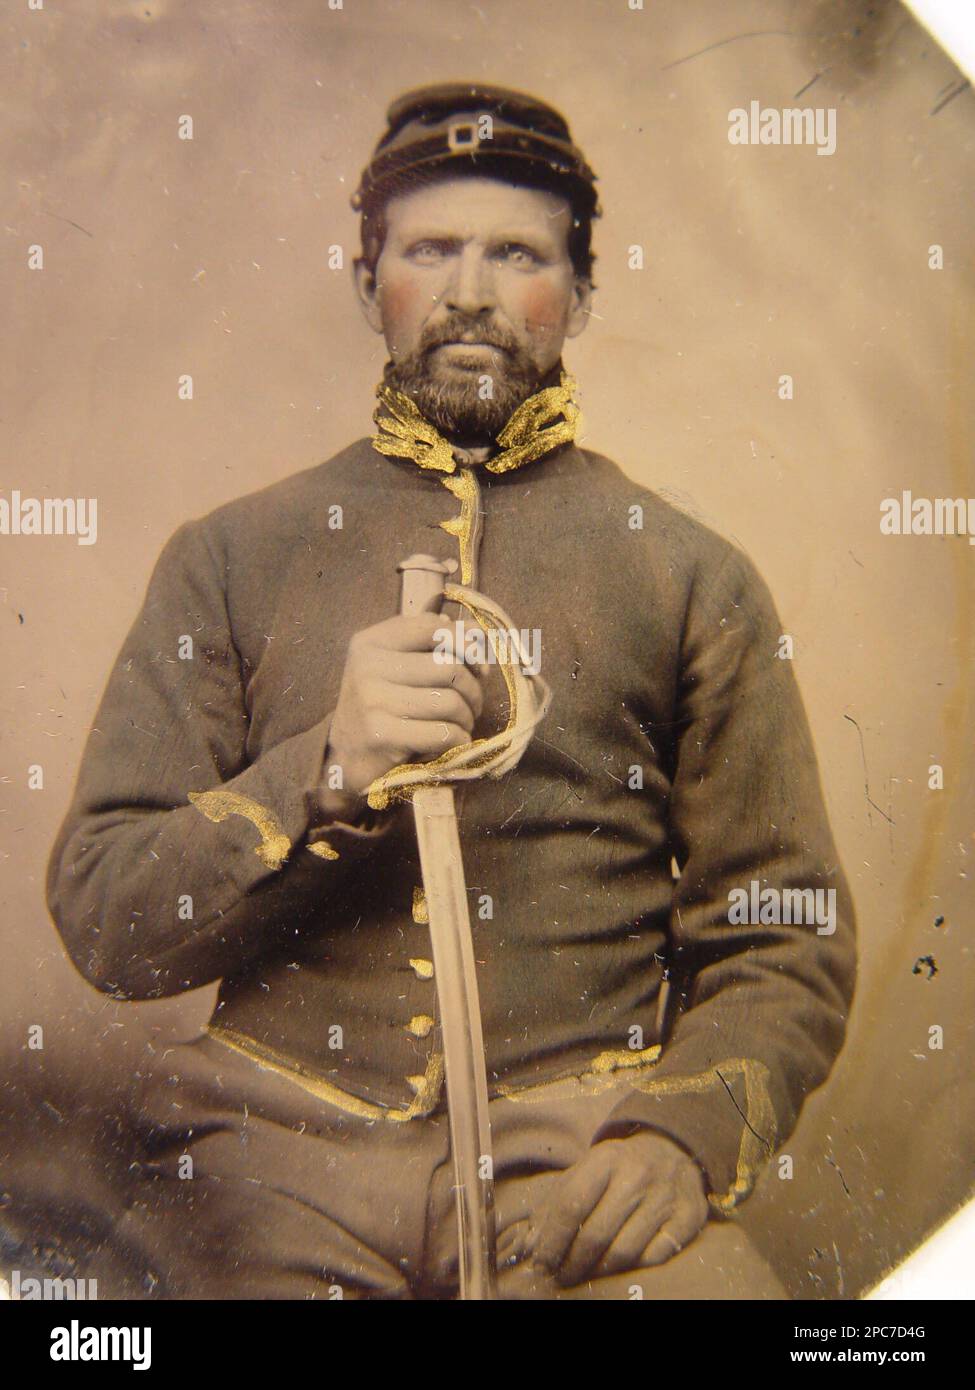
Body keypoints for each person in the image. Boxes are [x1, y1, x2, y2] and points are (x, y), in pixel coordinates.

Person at [47, 83, 856, 1299]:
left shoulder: (694, 575)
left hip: (578, 1155)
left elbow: (783, 931)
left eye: (518, 253)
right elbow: (107, 915)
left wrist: (679, 1139)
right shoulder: (228, 555)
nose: (471, 291)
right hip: (269, 1158)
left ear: (581, 293)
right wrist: (324, 772)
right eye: (430, 249)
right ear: (367, 278)